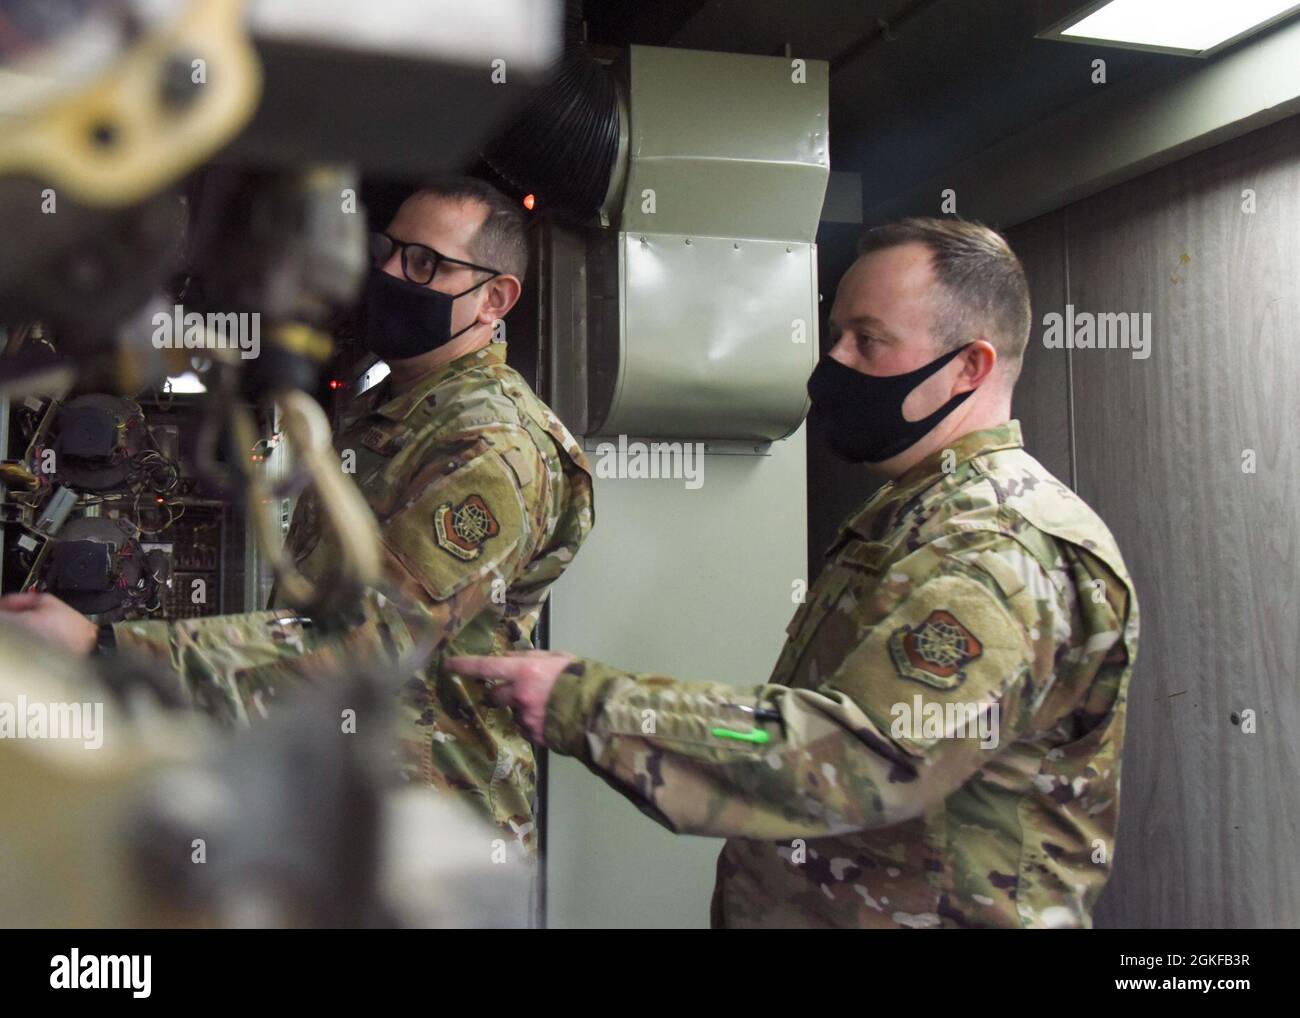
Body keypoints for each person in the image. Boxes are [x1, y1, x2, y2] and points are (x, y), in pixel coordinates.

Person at [448, 217, 1140, 928]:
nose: (832, 362)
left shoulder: (997, 544)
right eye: (834, 334)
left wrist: (589, 704)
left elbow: (855, 752)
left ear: (971, 367)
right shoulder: (920, 512)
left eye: (868, 341)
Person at [4, 178, 594, 857]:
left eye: (425, 263)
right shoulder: (392, 412)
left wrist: (106, 648)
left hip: (423, 838)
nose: (391, 274)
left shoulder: (490, 447)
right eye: (388, 251)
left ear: (495, 298)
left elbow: (360, 647)